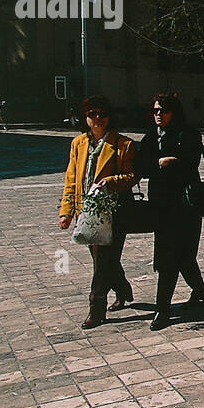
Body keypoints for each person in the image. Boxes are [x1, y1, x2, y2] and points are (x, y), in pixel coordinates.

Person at [59, 94, 136, 329]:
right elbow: (71, 178)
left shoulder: (123, 144)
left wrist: (110, 182)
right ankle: (123, 289)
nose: (98, 118)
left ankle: (96, 308)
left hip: (114, 212)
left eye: (102, 114)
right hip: (87, 212)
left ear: (109, 117)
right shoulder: (79, 143)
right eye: (93, 114)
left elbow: (132, 176)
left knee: (102, 262)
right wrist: (67, 211)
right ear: (86, 118)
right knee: (103, 259)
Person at [134, 92, 204, 331]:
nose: (158, 115)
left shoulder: (187, 135)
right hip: (161, 206)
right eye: (155, 110)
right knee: (172, 257)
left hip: (185, 205)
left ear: (173, 112)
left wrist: (169, 164)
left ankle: (167, 306)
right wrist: (158, 163)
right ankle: (185, 297)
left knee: (178, 256)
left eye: (163, 111)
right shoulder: (149, 137)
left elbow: (189, 164)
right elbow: (140, 166)